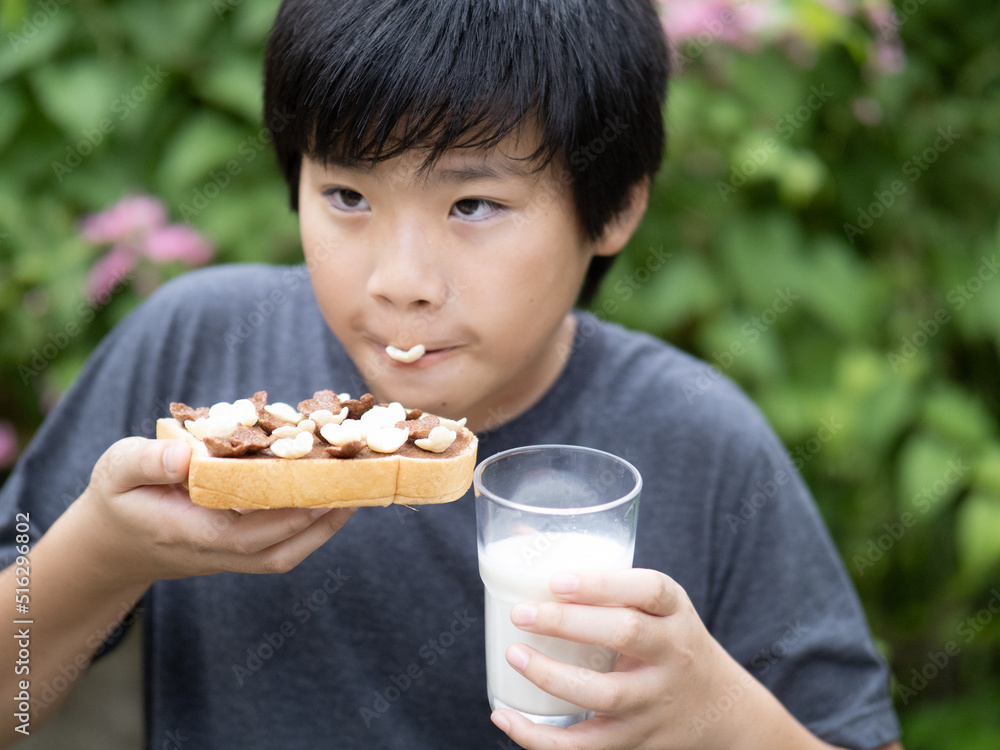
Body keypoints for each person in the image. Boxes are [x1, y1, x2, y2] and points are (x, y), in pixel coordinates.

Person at [0, 0, 903, 748]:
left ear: (616, 205)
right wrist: (100, 557)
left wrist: (723, 719)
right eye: (348, 196)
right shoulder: (198, 347)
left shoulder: (701, 437)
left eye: (473, 204)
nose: (400, 282)